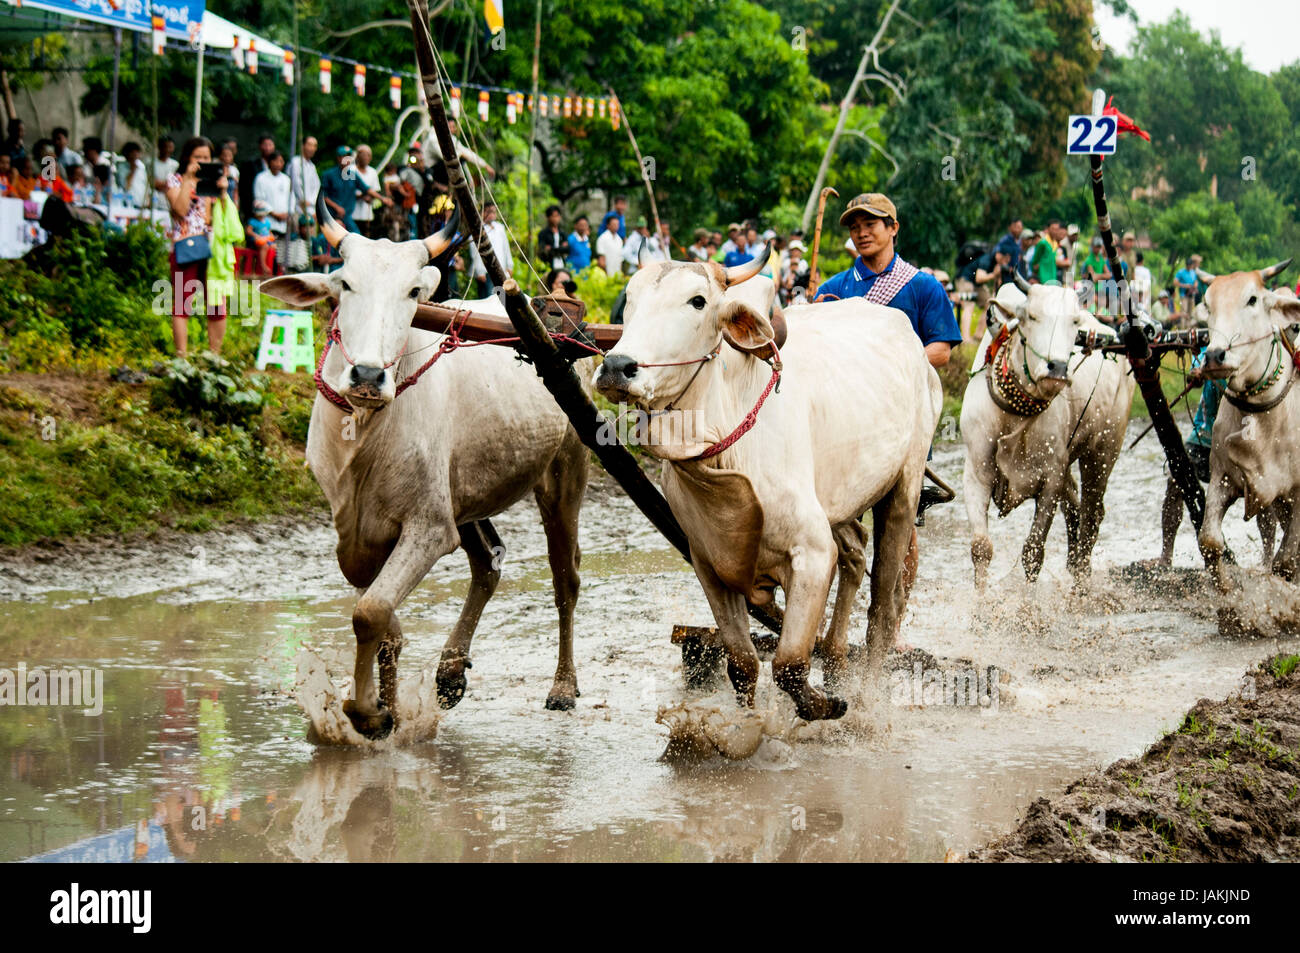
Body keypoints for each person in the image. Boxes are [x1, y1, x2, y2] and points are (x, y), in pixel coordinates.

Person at [815, 193, 963, 649]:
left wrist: (894, 372)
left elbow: (943, 346)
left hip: (899, 420)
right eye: (855, 225)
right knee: (823, 523)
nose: (862, 231)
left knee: (899, 528)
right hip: (845, 425)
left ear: (893, 228)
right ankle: (819, 620)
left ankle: (891, 625)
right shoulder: (837, 287)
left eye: (872, 223)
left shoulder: (921, 287)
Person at [164, 136, 228, 357]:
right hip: (186, 246)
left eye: (206, 157)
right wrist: (189, 180)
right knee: (182, 304)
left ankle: (214, 356)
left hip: (211, 248)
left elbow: (223, 216)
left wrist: (223, 192)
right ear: (187, 158)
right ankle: (182, 356)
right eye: (197, 156)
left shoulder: (213, 181)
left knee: (217, 305)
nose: (202, 161)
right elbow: (180, 210)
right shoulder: (174, 179)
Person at [253, 151, 292, 267]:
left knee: (281, 252)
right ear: (270, 162)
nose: (278, 164)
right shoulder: (261, 178)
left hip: (284, 222)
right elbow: (259, 199)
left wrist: (288, 213)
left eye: (281, 161)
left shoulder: (286, 179)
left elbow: (291, 198)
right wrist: (273, 213)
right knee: (268, 250)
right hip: (268, 221)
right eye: (275, 161)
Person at [468, 202, 512, 295]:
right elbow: (474, 252)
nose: (492, 214)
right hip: (486, 271)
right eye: (489, 212)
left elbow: (506, 248)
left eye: (494, 212)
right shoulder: (478, 229)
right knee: (487, 297)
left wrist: (509, 265)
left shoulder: (500, 228)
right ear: (483, 213)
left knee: (501, 298)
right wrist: (479, 271)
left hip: (501, 269)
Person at [350, 144, 387, 239]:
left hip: (367, 213)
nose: (365, 158)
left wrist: (371, 197)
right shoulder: (351, 170)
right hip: (352, 212)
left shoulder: (372, 172)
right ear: (357, 156)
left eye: (367, 155)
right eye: (363, 155)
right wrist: (362, 196)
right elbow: (348, 191)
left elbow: (375, 190)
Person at [240, 134, 275, 223]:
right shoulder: (251, 165)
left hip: (273, 211)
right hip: (254, 210)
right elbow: (244, 189)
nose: (267, 148)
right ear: (260, 146)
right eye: (265, 145)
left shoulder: (277, 167)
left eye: (270, 145)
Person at [288, 135, 321, 220]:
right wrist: (303, 200)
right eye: (309, 145)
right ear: (303, 146)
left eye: (314, 146)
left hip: (311, 209)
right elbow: (296, 184)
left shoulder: (312, 166)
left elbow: (317, 186)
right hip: (296, 208)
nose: (312, 148)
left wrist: (311, 202)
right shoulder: (295, 162)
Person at [1080, 237, 1112, 317]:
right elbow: (1093, 278)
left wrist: (1098, 276)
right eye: (1096, 246)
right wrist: (1101, 276)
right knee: (1091, 307)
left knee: (1103, 307)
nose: (1097, 249)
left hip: (1100, 288)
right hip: (1090, 289)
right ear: (1092, 246)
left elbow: (1109, 274)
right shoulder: (1089, 260)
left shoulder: (1101, 259)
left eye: (1099, 247)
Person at [246, 201, 277, 275]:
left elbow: (269, 232)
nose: (261, 217)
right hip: (257, 241)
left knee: (275, 247)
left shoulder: (267, 222)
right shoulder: (253, 221)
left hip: (267, 240)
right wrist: (256, 235)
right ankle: (263, 266)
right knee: (264, 246)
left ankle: (275, 269)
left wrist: (272, 237)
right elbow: (248, 231)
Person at [1031, 220, 1066, 284]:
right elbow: (1035, 261)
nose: (1055, 231)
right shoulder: (1042, 243)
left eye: (1057, 229)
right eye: (1053, 229)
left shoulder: (1055, 243)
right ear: (1048, 229)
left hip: (1053, 279)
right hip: (1043, 279)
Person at [537, 204, 569, 270]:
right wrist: (560, 248)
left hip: (562, 264)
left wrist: (552, 248)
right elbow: (543, 249)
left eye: (557, 216)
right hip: (548, 265)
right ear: (548, 217)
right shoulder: (543, 233)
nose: (555, 219)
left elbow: (567, 249)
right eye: (553, 216)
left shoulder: (563, 233)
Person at [779, 238, 810, 305]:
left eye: (798, 250)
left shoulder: (804, 263)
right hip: (785, 293)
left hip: (800, 293)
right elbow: (782, 278)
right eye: (794, 250)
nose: (796, 252)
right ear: (791, 251)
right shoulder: (785, 263)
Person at [152, 136, 179, 209]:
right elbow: (152, 183)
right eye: (165, 147)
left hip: (169, 204)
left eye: (170, 147)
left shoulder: (175, 165)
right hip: (155, 202)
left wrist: (164, 184)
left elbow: (176, 184)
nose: (167, 150)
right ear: (160, 147)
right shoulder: (151, 163)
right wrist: (168, 184)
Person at [121, 141, 149, 208]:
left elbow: (146, 186)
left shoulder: (142, 169)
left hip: (142, 205)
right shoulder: (122, 168)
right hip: (129, 204)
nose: (135, 155)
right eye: (133, 153)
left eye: (137, 152)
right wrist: (133, 170)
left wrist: (148, 201)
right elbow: (126, 186)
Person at [1175, 255, 1200, 321]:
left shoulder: (1193, 272)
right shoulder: (1181, 272)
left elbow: (1196, 281)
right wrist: (1185, 285)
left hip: (1191, 295)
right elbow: (1175, 282)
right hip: (1184, 295)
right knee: (1184, 312)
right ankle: (1183, 327)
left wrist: (1195, 285)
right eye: (1188, 265)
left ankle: (1189, 327)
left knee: (1190, 312)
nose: (1189, 267)